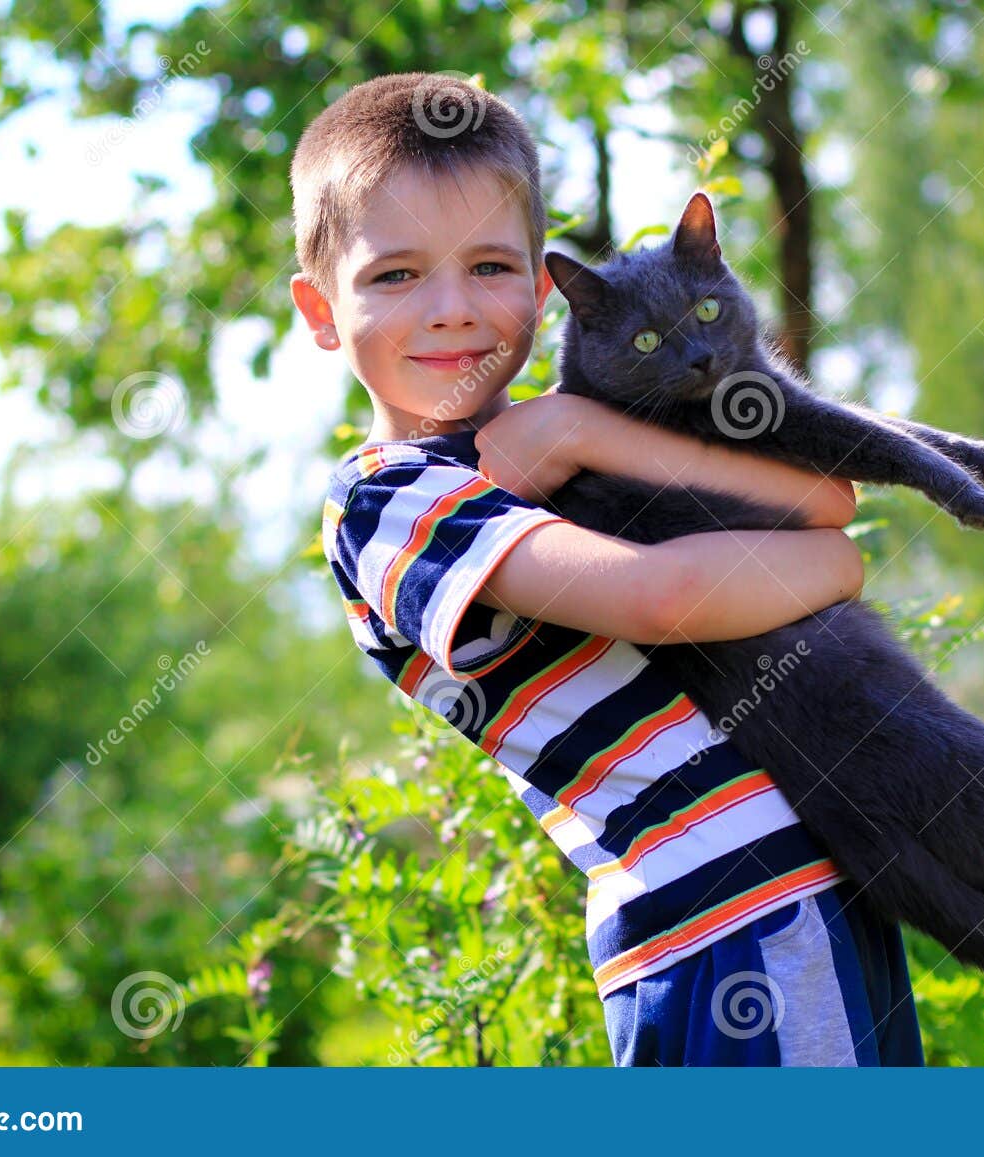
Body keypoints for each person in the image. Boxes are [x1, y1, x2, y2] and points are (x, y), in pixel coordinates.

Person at [288, 71, 924, 1067]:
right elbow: (667, 594)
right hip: (729, 920)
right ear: (320, 309)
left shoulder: (566, 430)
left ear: (545, 294)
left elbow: (821, 494)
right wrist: (832, 565)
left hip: (791, 897)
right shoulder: (385, 501)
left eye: (491, 266)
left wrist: (586, 427)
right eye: (395, 276)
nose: (453, 310)